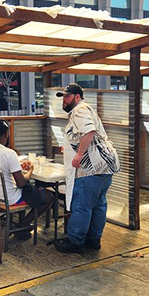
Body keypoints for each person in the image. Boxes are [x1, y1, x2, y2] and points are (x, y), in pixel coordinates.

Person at [53, 83, 115, 254]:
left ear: (77, 97)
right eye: (63, 97)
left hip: (89, 169)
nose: (64, 100)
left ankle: (75, 241)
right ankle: (94, 240)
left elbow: (89, 131)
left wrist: (79, 154)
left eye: (67, 96)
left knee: (82, 205)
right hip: (104, 167)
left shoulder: (80, 110)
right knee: (98, 204)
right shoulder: (86, 110)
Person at [0, 120, 54, 240]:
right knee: (49, 197)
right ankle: (23, 225)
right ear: (6, 134)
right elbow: (21, 182)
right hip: (10, 198)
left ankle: (21, 227)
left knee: (26, 192)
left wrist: (18, 165)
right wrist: (30, 170)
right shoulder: (8, 153)